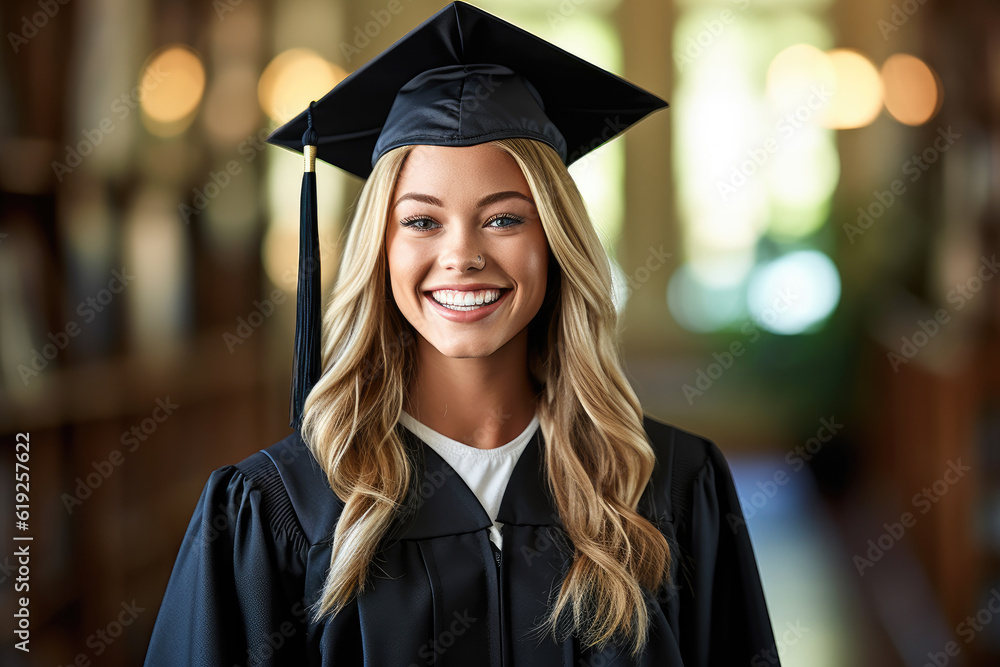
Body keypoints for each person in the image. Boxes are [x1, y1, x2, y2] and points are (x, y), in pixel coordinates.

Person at [144, 2, 780, 666]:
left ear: (557, 243)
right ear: (380, 248)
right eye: (422, 221)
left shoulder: (670, 487)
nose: (463, 254)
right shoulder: (278, 511)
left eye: (504, 219)